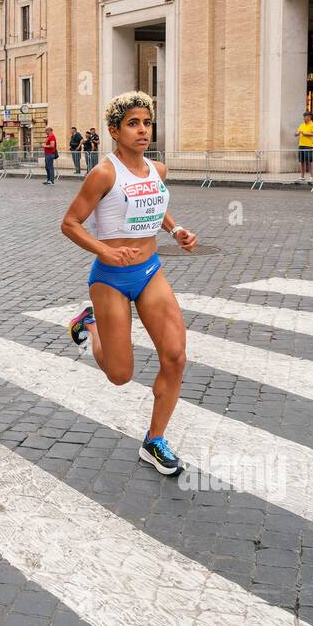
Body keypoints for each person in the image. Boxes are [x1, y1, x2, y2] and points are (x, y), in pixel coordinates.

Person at [62, 92, 197, 476]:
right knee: (120, 375)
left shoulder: (159, 170)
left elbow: (154, 202)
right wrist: (102, 251)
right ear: (114, 131)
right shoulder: (104, 173)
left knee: (176, 356)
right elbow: (69, 223)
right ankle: (90, 324)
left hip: (149, 271)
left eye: (147, 123)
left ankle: (154, 440)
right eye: (133, 124)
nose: (142, 131)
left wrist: (177, 229)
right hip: (110, 279)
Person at [295, 110, 313, 182]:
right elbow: (296, 133)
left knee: (310, 161)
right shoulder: (302, 125)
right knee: (302, 161)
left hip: (308, 146)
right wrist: (297, 133)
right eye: (304, 116)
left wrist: (305, 133)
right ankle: (302, 176)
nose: (304, 118)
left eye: (305, 116)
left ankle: (311, 176)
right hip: (301, 145)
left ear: (309, 117)